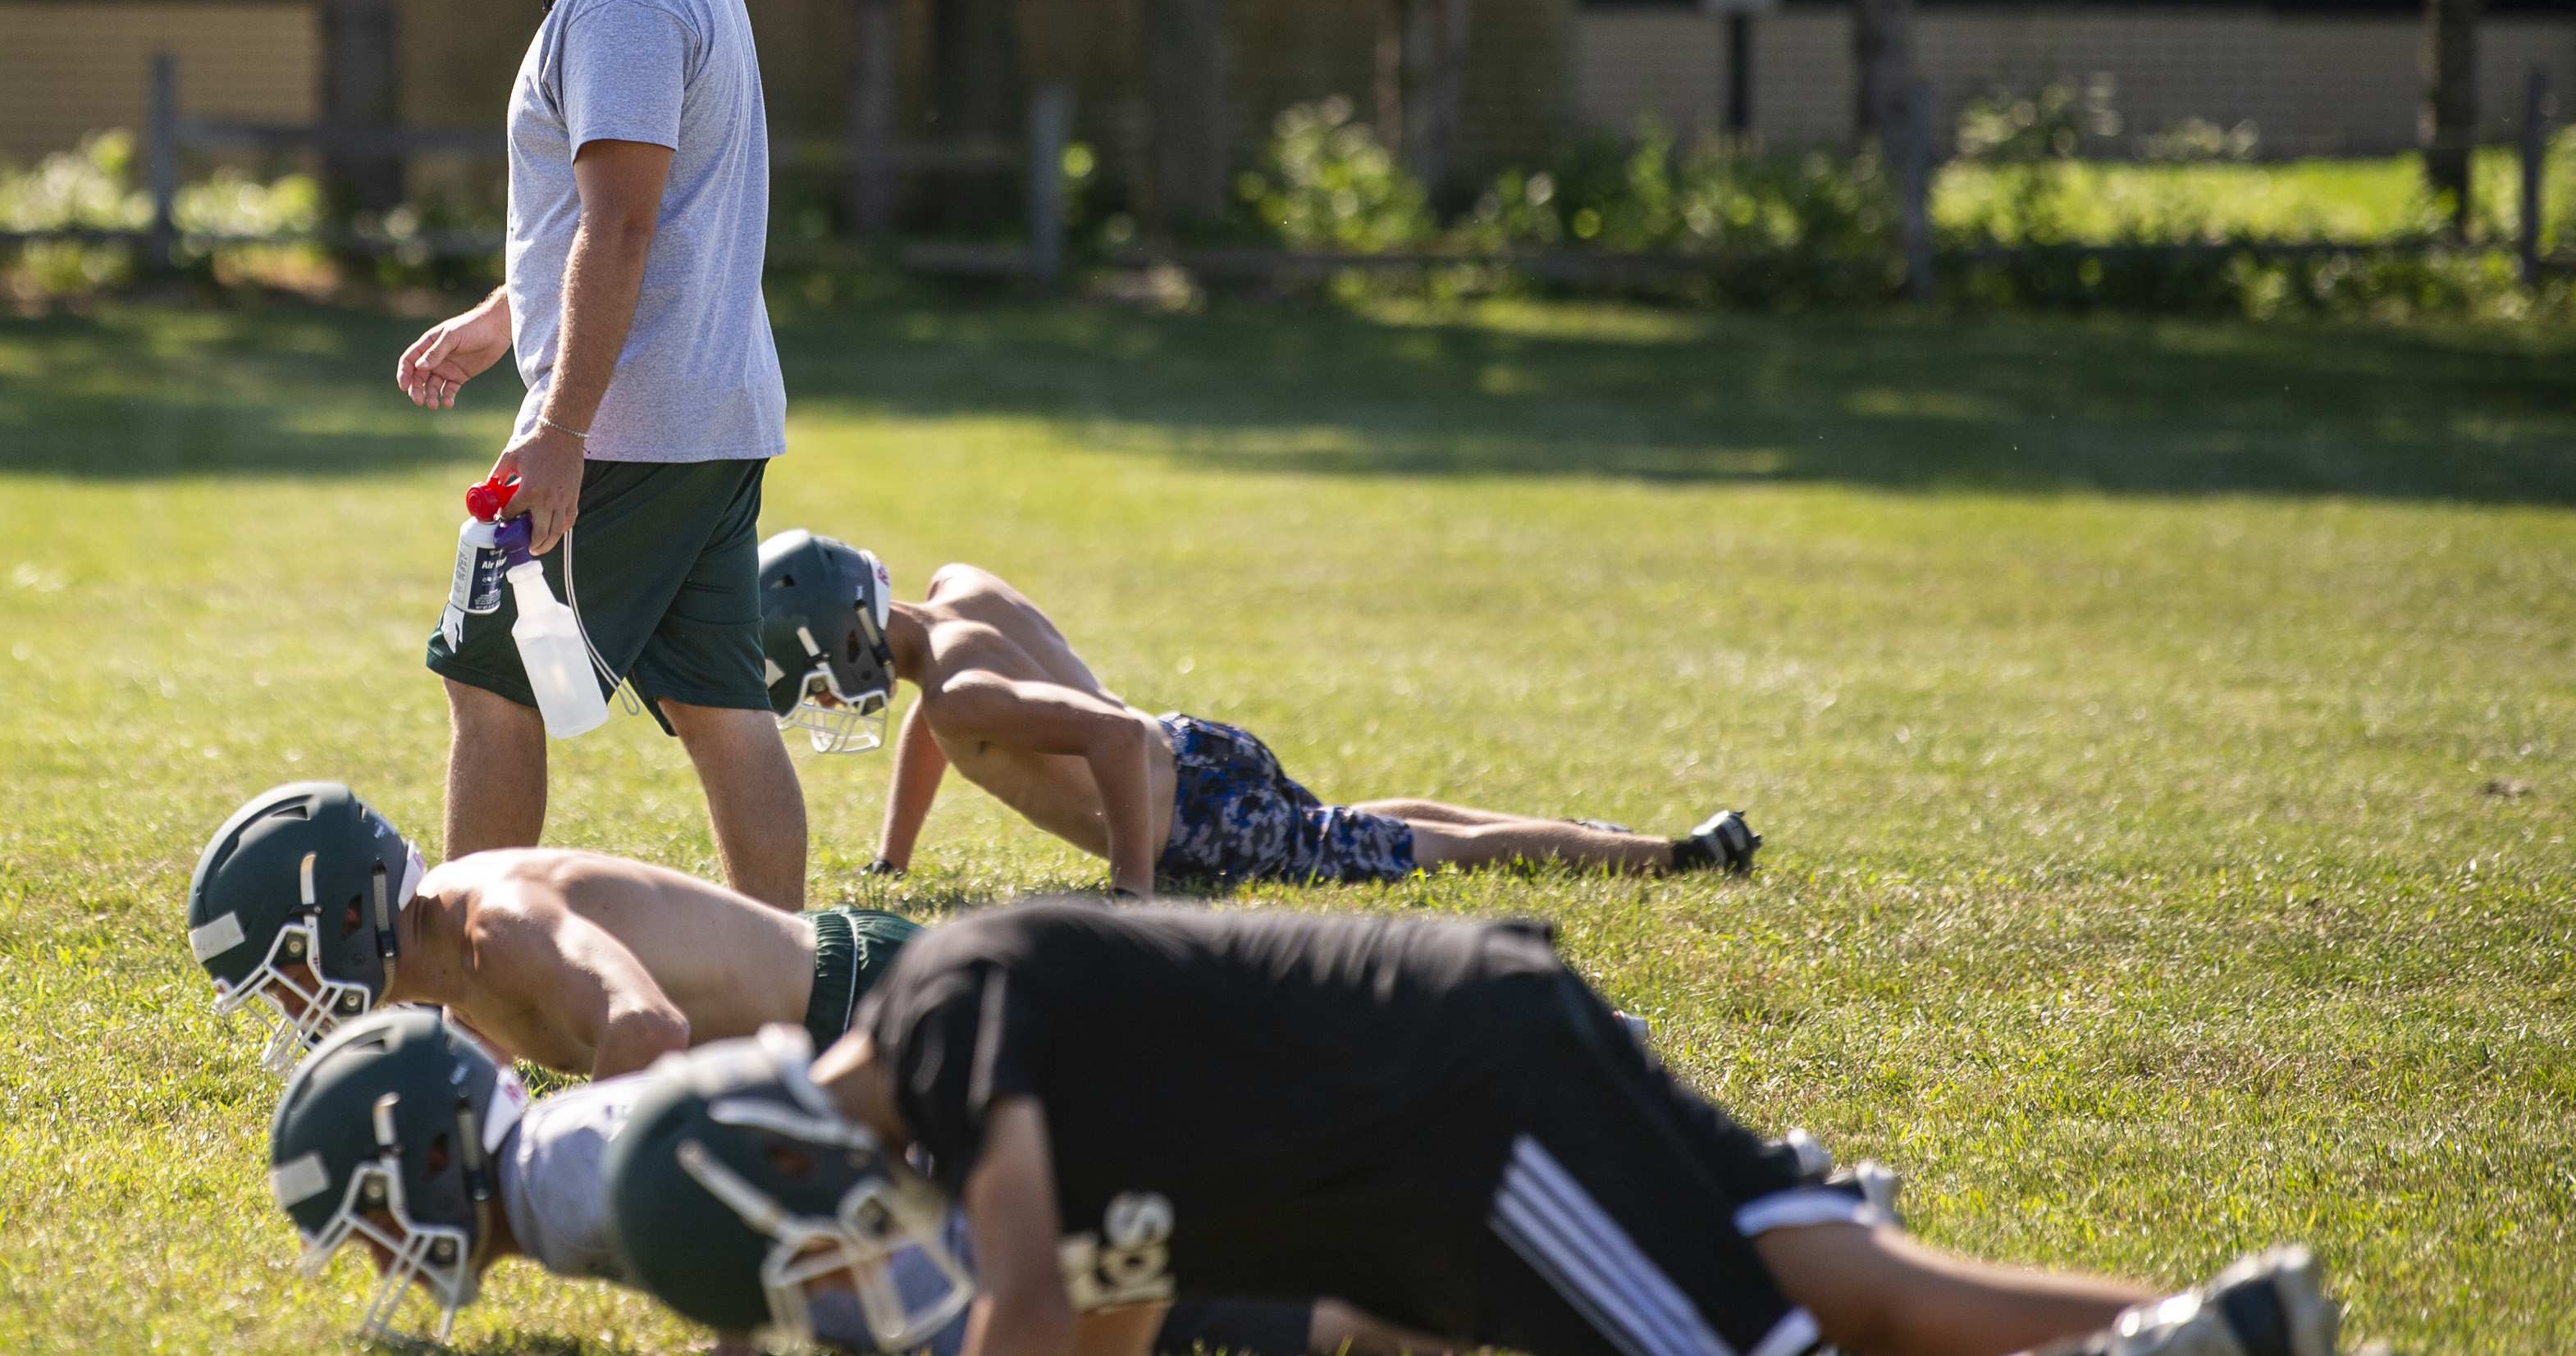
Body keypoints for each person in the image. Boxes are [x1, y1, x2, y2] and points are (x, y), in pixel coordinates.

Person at [604, 902, 2346, 1356]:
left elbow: (1038, 1314)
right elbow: (1110, 1301)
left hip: (1463, 1114)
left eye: (806, 1266)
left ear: (784, 1161)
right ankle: (2197, 1327)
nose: (851, 1283)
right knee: (1837, 1281)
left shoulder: (938, 1016)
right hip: (1484, 1054)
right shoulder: (1011, 1136)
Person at [394, 0, 802, 907]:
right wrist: (499, 316)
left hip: (628, 421)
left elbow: (621, 229)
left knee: (489, 678)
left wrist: (561, 423)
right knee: (724, 706)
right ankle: (781, 988)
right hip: (711, 408)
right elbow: (618, 216)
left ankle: (476, 990)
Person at [264, 1011, 1382, 1356]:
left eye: (368, 1222)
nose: (377, 1256)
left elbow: (758, 1176)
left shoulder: (558, 1181)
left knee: (1248, 1312)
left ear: (425, 1158)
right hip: (939, 1207)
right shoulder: (549, 1167)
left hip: (945, 1225)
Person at [755, 531, 1761, 901]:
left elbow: (1099, 737)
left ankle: (1673, 856)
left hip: (1191, 817)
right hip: (1199, 747)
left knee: (1414, 855)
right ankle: (1592, 838)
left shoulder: (959, 692)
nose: (832, 703)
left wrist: (1131, 889)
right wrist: (894, 855)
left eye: (819, 684)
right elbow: (961, 728)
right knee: (1365, 824)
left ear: (844, 641)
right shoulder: (958, 591)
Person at [186, 780, 910, 1078]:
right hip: (824, 1024)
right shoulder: (440, 956)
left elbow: (649, 1025)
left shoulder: (496, 926)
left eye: (285, 972)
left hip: (870, 999)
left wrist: (583, 1162)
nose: (285, 1005)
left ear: (348, 916)